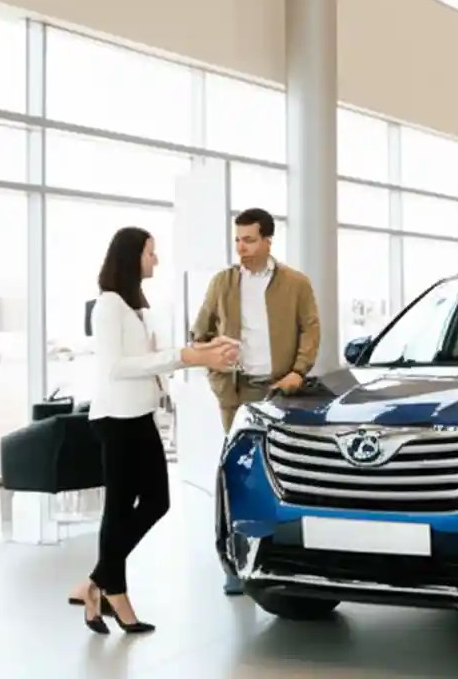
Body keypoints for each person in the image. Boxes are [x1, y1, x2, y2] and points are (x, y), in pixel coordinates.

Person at [73, 227, 238, 635]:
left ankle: (96, 584)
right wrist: (186, 357)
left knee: (156, 501)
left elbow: (154, 356)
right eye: (150, 252)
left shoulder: (135, 306)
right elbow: (117, 366)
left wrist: (201, 352)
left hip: (140, 414)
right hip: (116, 417)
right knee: (120, 507)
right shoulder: (108, 306)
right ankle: (113, 592)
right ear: (132, 256)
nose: (156, 259)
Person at [192, 208, 321, 596]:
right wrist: (215, 369)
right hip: (237, 393)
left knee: (287, 474)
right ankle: (234, 561)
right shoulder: (223, 283)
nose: (241, 247)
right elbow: (200, 332)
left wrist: (298, 371)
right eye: (237, 240)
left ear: (267, 241)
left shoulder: (295, 283)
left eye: (248, 240)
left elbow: (310, 328)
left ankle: (291, 555)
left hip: (283, 392)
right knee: (237, 477)